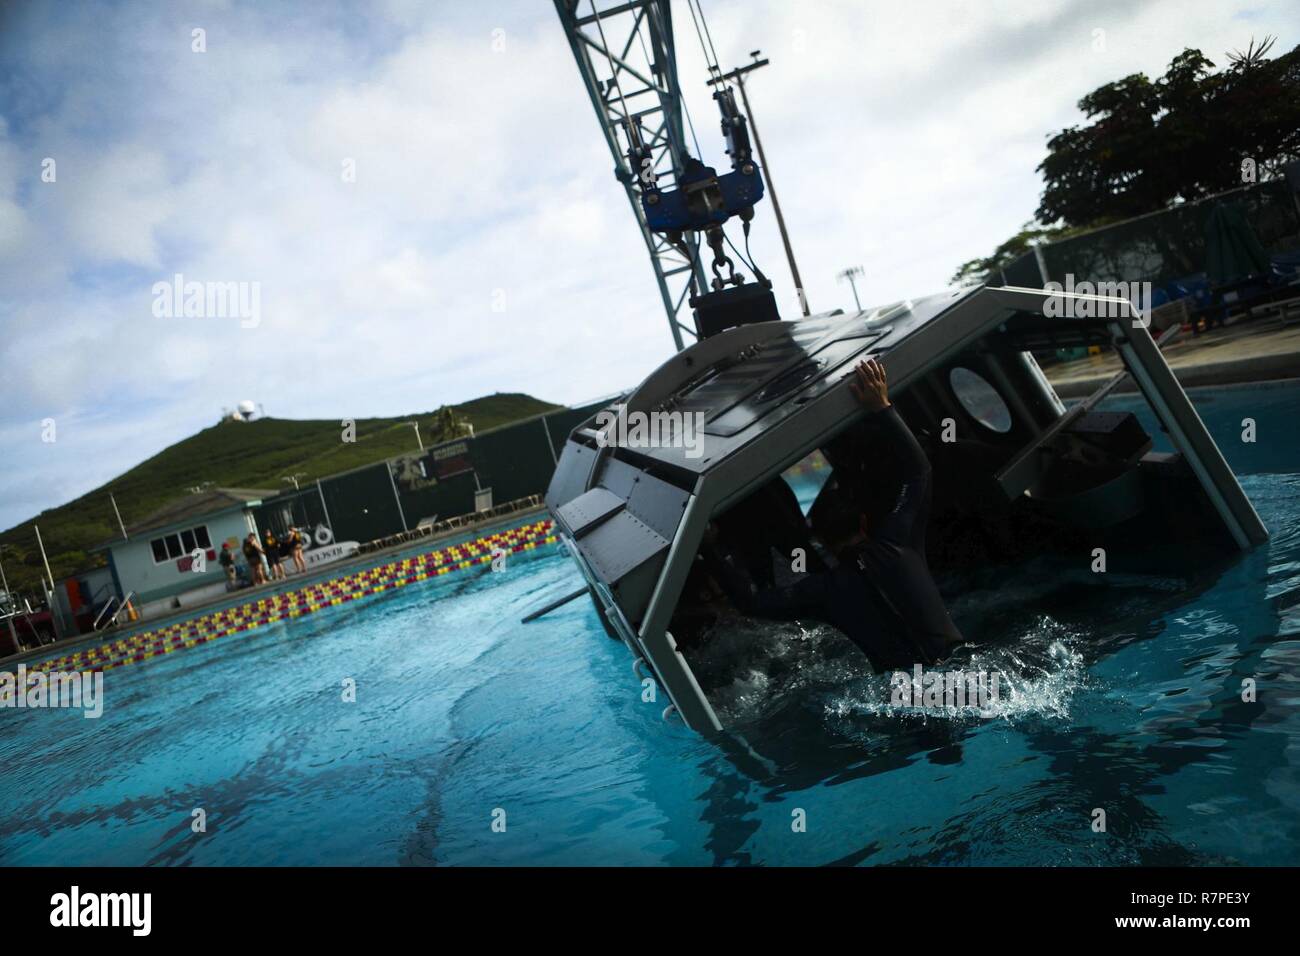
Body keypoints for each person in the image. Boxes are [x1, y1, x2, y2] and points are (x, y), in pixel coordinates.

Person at [716, 357, 964, 672]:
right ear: (864, 522)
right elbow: (919, 472)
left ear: (822, 542)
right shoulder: (901, 541)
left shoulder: (822, 592)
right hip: (961, 665)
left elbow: (750, 603)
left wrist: (709, 547)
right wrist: (882, 407)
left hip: (908, 690)